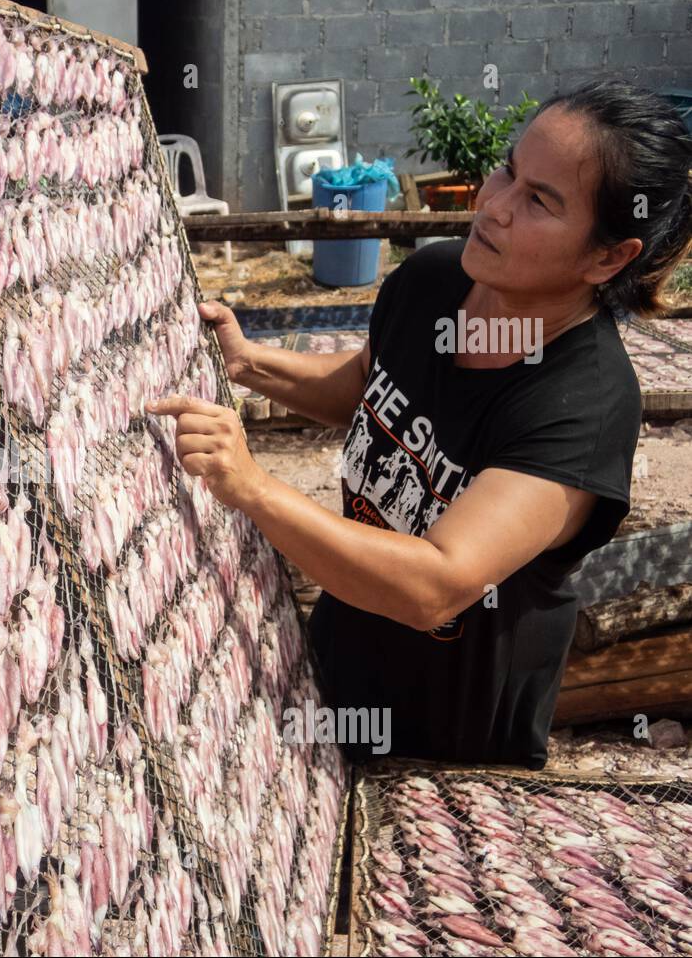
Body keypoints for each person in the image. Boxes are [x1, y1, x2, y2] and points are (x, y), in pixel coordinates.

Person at [148, 78, 692, 768]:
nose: (493, 206)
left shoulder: (583, 402)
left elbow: (436, 584)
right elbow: (362, 388)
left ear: (608, 256)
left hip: (444, 746)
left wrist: (253, 487)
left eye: (539, 202)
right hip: (343, 654)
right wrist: (251, 364)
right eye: (507, 170)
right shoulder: (436, 280)